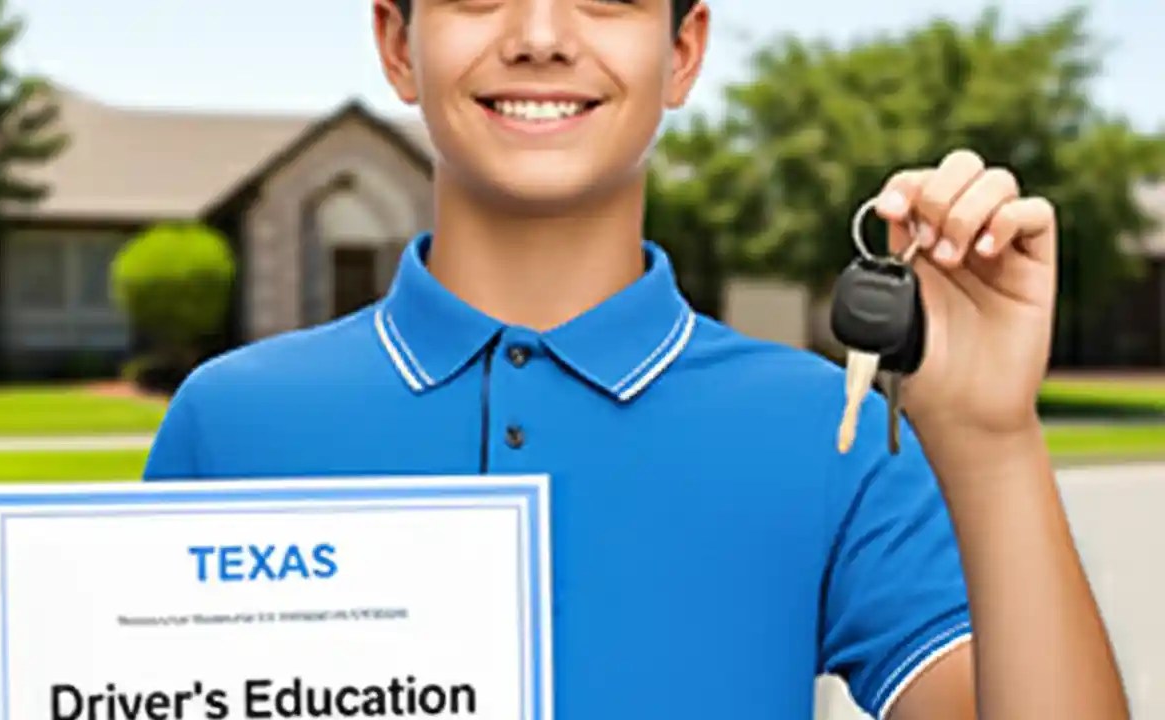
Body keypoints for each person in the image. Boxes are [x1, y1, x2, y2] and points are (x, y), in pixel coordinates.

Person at [144, 1, 1130, 717]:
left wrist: (992, 438)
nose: (537, 33)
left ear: (682, 52)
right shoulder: (230, 423)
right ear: (397, 45)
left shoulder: (821, 431)